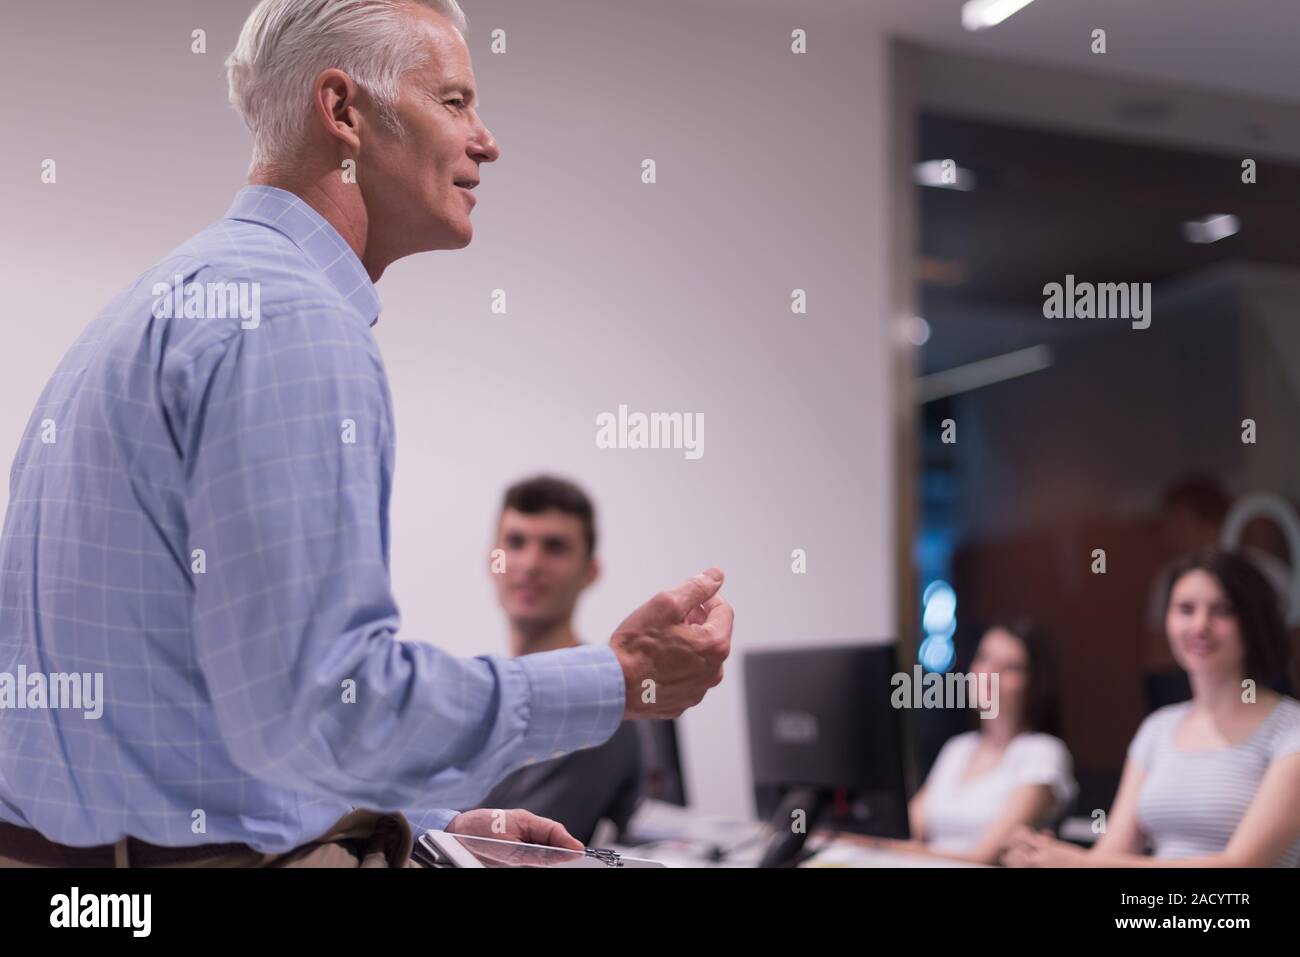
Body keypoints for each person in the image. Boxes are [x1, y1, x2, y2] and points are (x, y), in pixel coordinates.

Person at [0, 0, 733, 868]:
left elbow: (234, 722)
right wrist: (618, 678)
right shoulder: (292, 322)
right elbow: (326, 706)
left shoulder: (165, 299)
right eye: (455, 101)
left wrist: (419, 821)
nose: (486, 140)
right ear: (343, 111)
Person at [1006, 549, 1300, 867]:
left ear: (1253, 622)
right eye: (1185, 609)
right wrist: (1044, 855)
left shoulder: (1290, 729)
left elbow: (1239, 865)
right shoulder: (1158, 729)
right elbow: (1112, 854)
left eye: (1223, 610)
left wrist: (1078, 862)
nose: (1200, 625)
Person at [473, 476, 643, 845]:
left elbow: (508, 852)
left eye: (555, 547)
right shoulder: (484, 698)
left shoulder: (595, 708)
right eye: (515, 542)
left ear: (590, 572)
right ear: (492, 560)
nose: (530, 563)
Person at [863, 622, 1075, 865]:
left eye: (1010, 667)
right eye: (984, 658)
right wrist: (858, 838)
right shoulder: (958, 748)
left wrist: (890, 848)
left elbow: (982, 858)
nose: (989, 674)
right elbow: (909, 828)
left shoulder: (1043, 753)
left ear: (1035, 683)